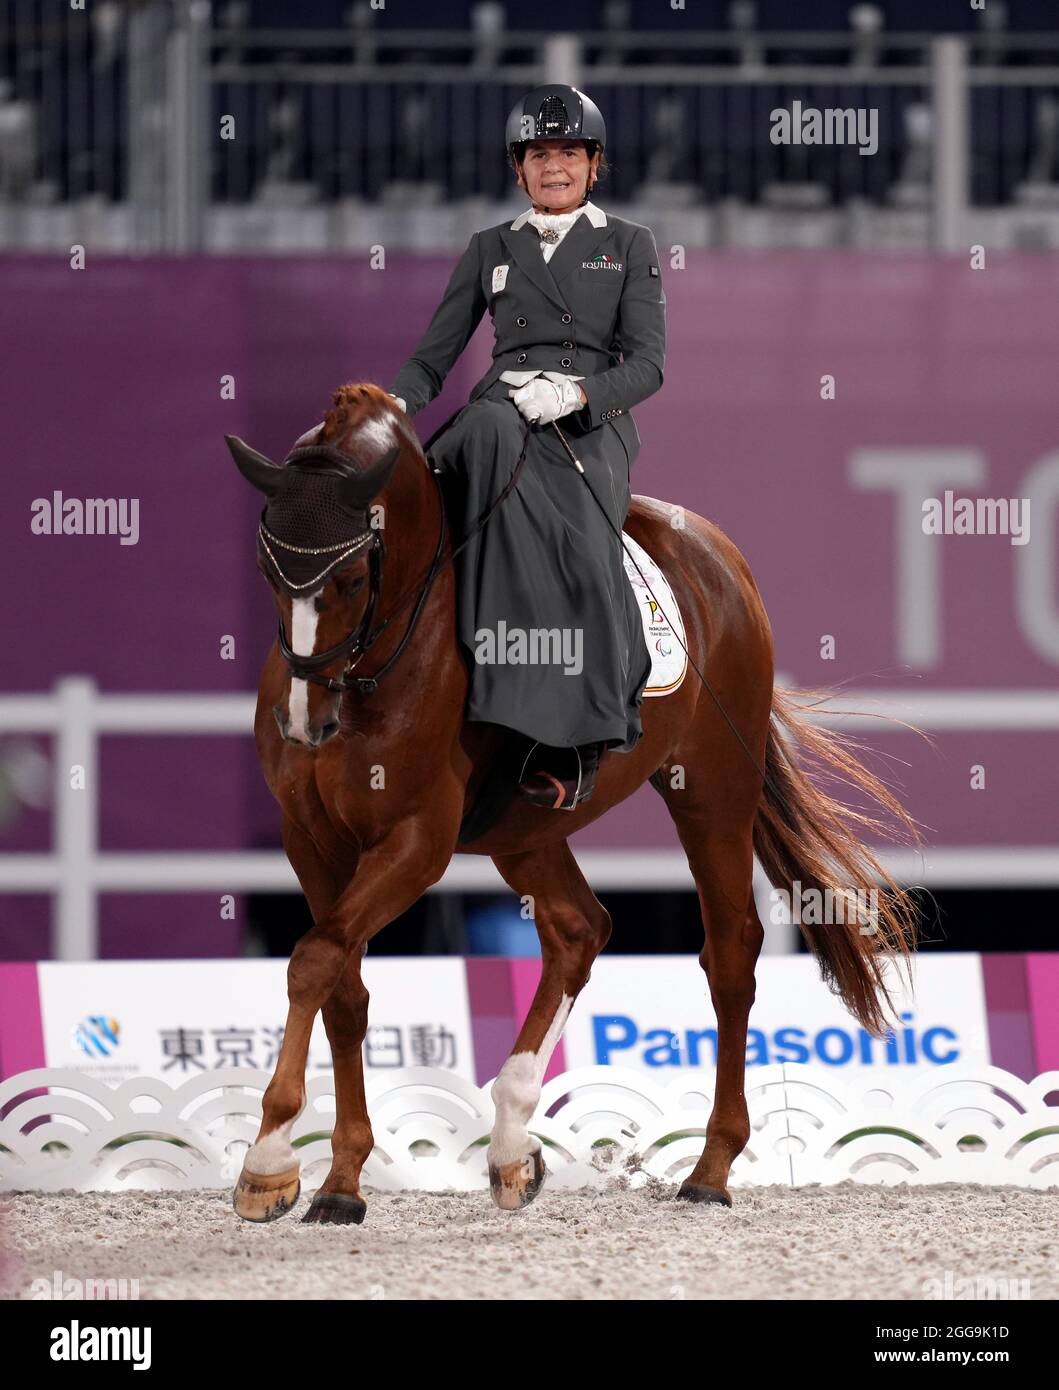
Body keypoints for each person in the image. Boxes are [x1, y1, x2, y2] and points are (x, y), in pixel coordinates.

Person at [389, 84, 666, 811]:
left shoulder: (627, 244)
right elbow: (432, 359)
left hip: (584, 425)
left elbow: (648, 364)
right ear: (519, 169)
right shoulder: (490, 248)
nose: (554, 167)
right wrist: (391, 408)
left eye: (568, 153)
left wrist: (575, 396)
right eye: (539, 154)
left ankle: (578, 735)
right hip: (500, 408)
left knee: (583, 547)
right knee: (424, 506)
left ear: (593, 165)